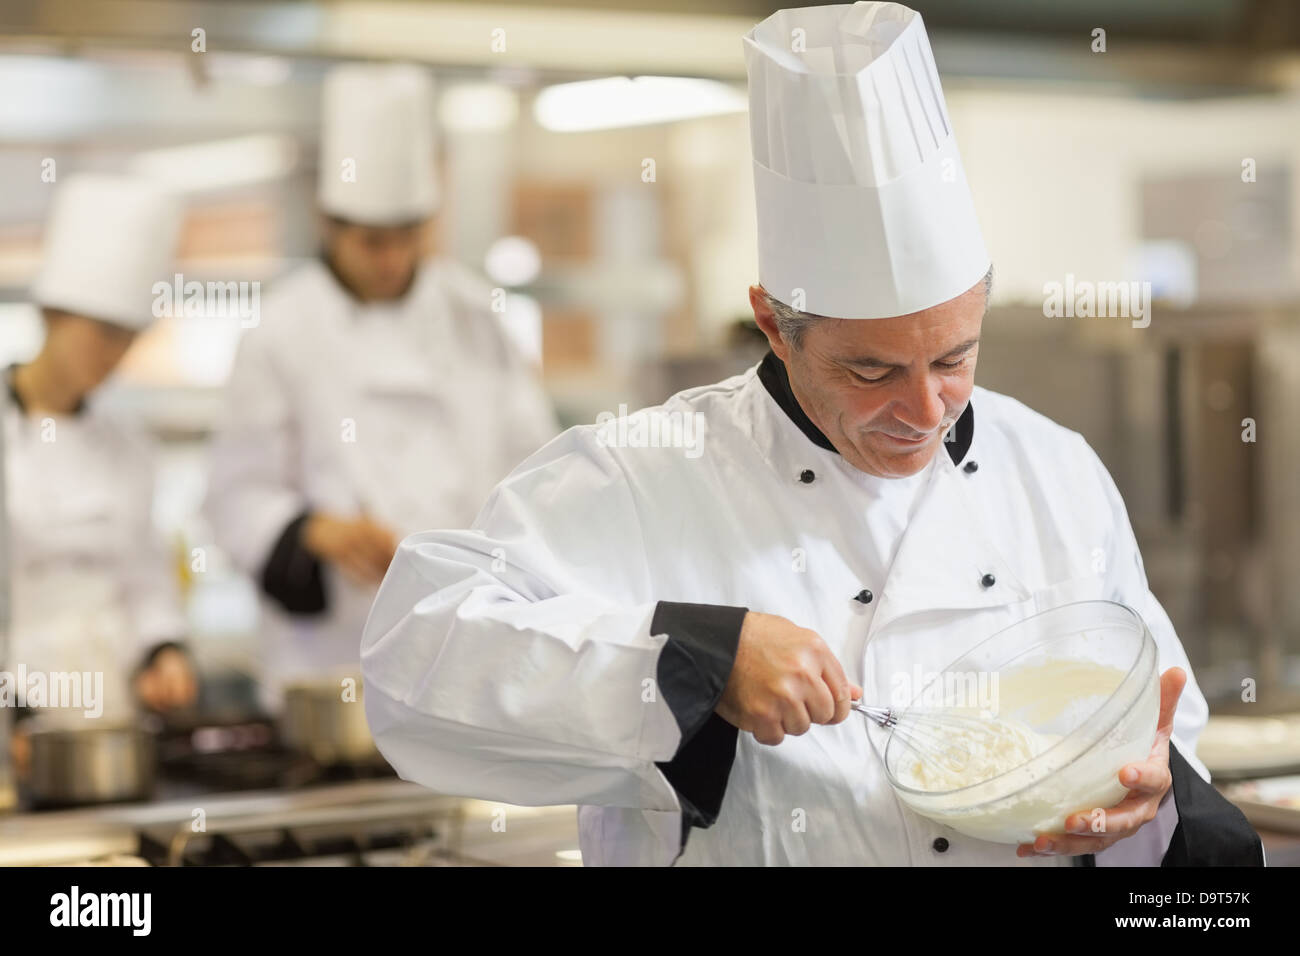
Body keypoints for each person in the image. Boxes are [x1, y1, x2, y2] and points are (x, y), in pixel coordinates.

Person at [359, 2, 1262, 865]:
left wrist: (1143, 796)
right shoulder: (644, 476)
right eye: (871, 372)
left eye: (953, 358)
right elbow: (414, 661)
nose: (923, 411)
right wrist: (692, 659)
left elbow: (1152, 727)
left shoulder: (1054, 471)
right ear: (771, 323)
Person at [204, 63, 557, 710]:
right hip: (330, 667)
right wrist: (316, 532)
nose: (391, 260)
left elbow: (536, 476)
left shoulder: (477, 319)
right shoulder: (279, 333)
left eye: (407, 238)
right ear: (328, 223)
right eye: (371, 242)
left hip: (467, 656)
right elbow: (234, 496)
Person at [6, 172, 196, 729]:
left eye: (128, 335)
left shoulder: (127, 444)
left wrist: (163, 650)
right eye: (102, 331)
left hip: (111, 718)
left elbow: (145, 576)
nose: (115, 353)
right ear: (51, 314)